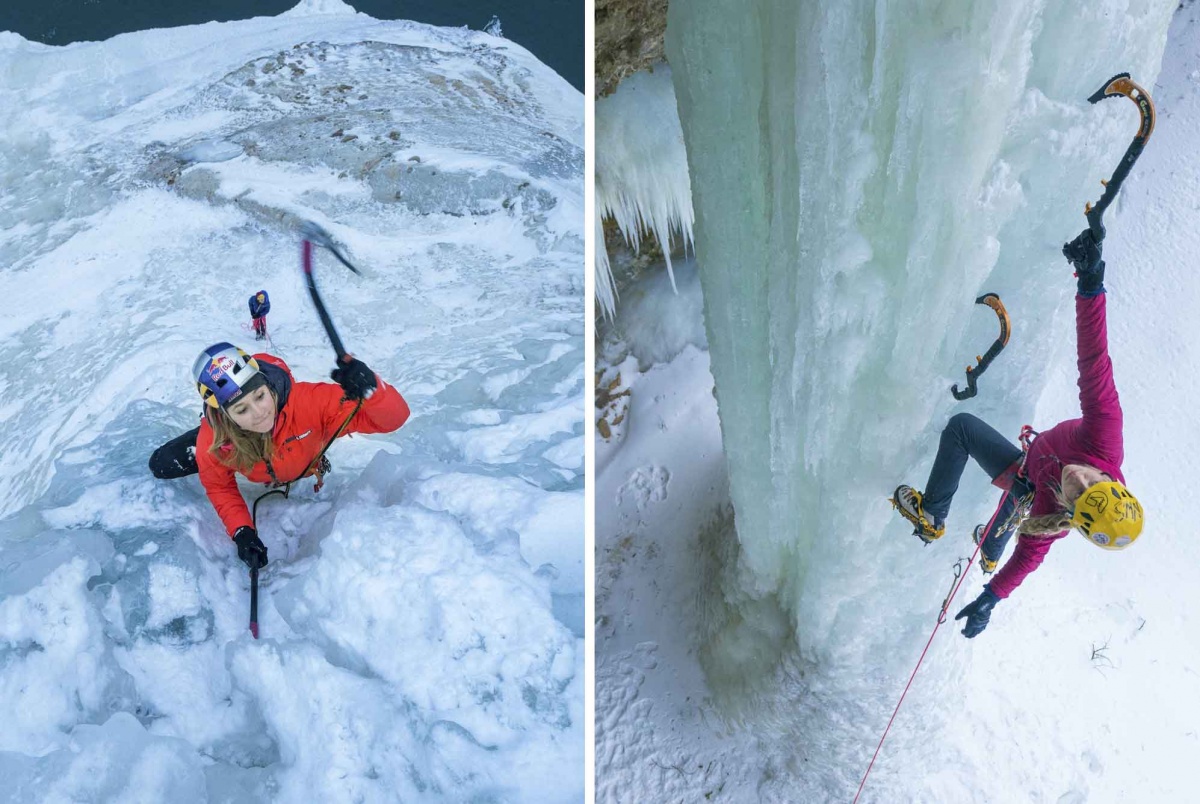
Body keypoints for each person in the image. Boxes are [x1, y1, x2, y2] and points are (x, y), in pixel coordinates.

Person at [891, 226, 1144, 638]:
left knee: (968, 437)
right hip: (1027, 471)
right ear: (1109, 478)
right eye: (1093, 483)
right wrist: (1090, 287)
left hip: (1028, 479)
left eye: (1078, 494)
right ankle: (980, 544)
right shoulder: (1104, 435)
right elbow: (1094, 361)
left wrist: (990, 598)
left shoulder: (1054, 513)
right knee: (1006, 494)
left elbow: (1029, 558)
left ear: (1072, 512)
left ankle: (942, 521)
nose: (1077, 479)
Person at [148, 343, 410, 569]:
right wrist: (242, 531)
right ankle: (205, 439)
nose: (259, 412)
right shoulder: (215, 441)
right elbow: (220, 487)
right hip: (230, 439)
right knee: (161, 464)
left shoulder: (310, 403)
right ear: (225, 415)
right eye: (241, 409)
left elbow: (394, 419)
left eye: (260, 396)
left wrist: (373, 390)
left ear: (267, 384)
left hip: (292, 448)